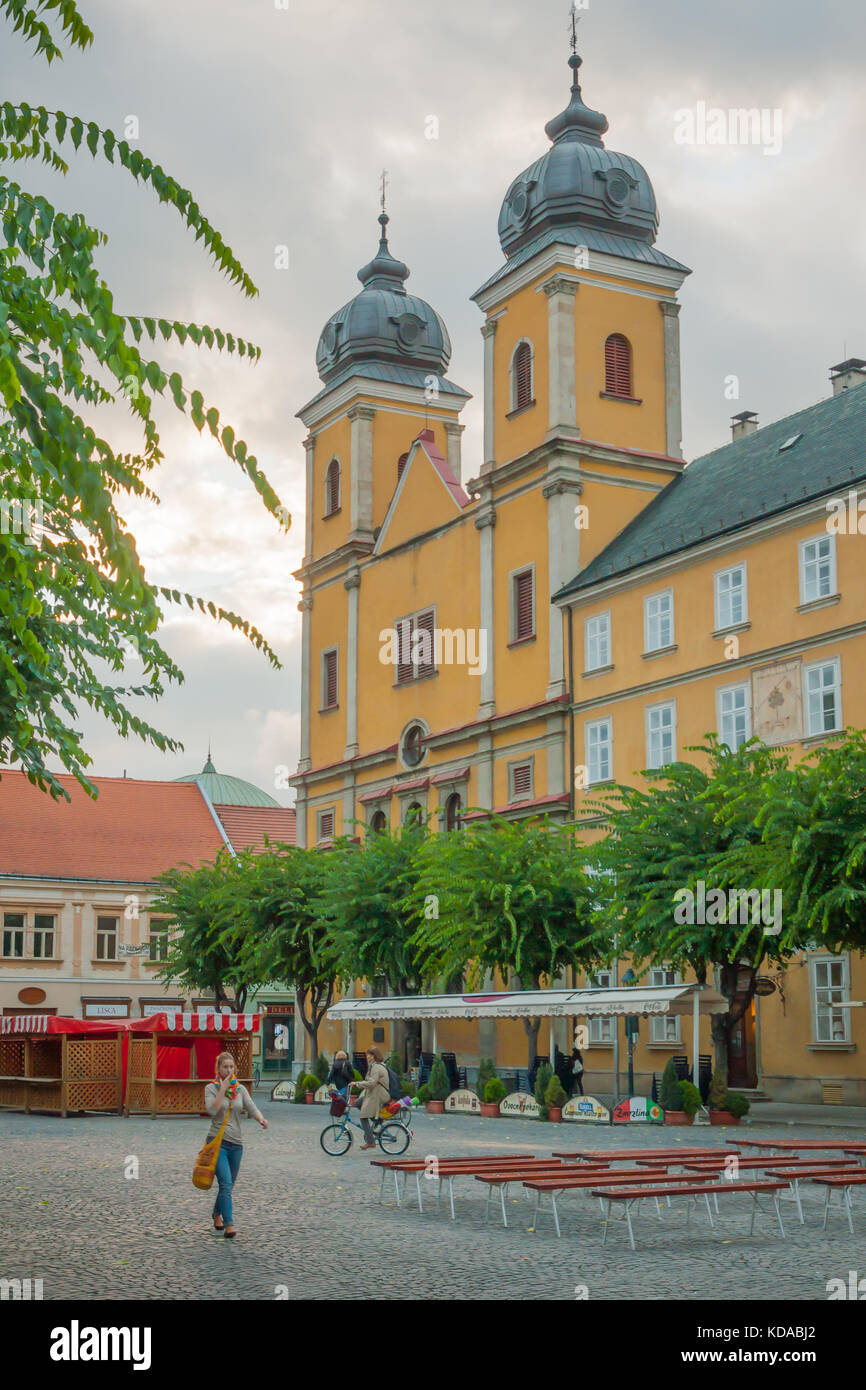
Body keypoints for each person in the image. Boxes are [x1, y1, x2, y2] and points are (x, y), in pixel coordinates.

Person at [204, 1050, 268, 1238]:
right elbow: (211, 1110)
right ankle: (229, 1224)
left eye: (231, 1067)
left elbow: (251, 1106)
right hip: (217, 1142)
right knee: (225, 1182)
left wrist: (261, 1119)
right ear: (219, 1068)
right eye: (225, 1067)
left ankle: (216, 1213)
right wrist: (222, 1089)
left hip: (236, 1144)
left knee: (228, 1185)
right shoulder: (211, 1088)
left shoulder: (240, 1089)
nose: (229, 1070)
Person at [352, 1047, 390, 1150]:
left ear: (374, 1056)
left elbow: (371, 1083)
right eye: (367, 1054)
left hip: (378, 1095)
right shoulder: (373, 1066)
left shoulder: (376, 1067)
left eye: (369, 1055)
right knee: (357, 1103)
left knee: (363, 1117)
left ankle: (370, 1142)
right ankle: (376, 1119)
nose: (367, 1056)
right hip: (374, 1093)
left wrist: (356, 1083)